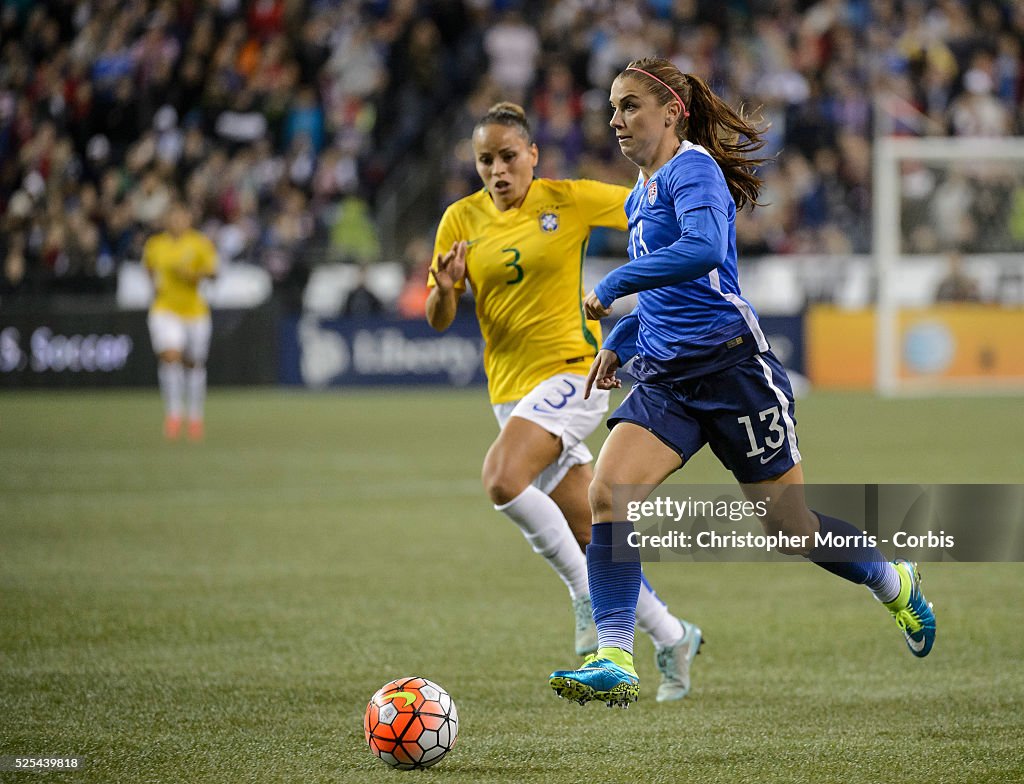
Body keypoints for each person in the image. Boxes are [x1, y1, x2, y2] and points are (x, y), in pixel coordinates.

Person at [548, 58, 936, 708]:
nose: (615, 119)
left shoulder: (692, 168)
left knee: (790, 527)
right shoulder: (639, 194)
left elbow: (702, 251)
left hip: (734, 372)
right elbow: (673, 294)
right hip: (670, 379)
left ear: (671, 112)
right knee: (608, 497)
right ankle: (615, 654)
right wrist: (620, 340)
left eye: (630, 105)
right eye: (612, 107)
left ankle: (892, 581)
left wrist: (614, 286)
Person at [427, 102, 703, 702]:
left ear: (532, 156)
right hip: (510, 393)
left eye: (507, 157)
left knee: (502, 478)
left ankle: (583, 599)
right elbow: (439, 316)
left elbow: (645, 203)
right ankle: (674, 635)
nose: (497, 170)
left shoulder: (567, 199)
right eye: (485, 161)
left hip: (574, 372)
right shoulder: (459, 221)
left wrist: (697, 225)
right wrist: (446, 289)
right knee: (591, 529)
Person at [143, 199, 218, 441]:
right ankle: (174, 414)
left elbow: (214, 273)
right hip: (165, 309)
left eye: (181, 217)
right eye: (173, 217)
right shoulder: (155, 244)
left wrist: (193, 274)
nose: (177, 222)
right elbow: (149, 268)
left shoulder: (199, 243)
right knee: (170, 356)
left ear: (188, 220)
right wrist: (155, 287)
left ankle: (195, 417)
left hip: (195, 312)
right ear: (167, 220)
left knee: (194, 364)